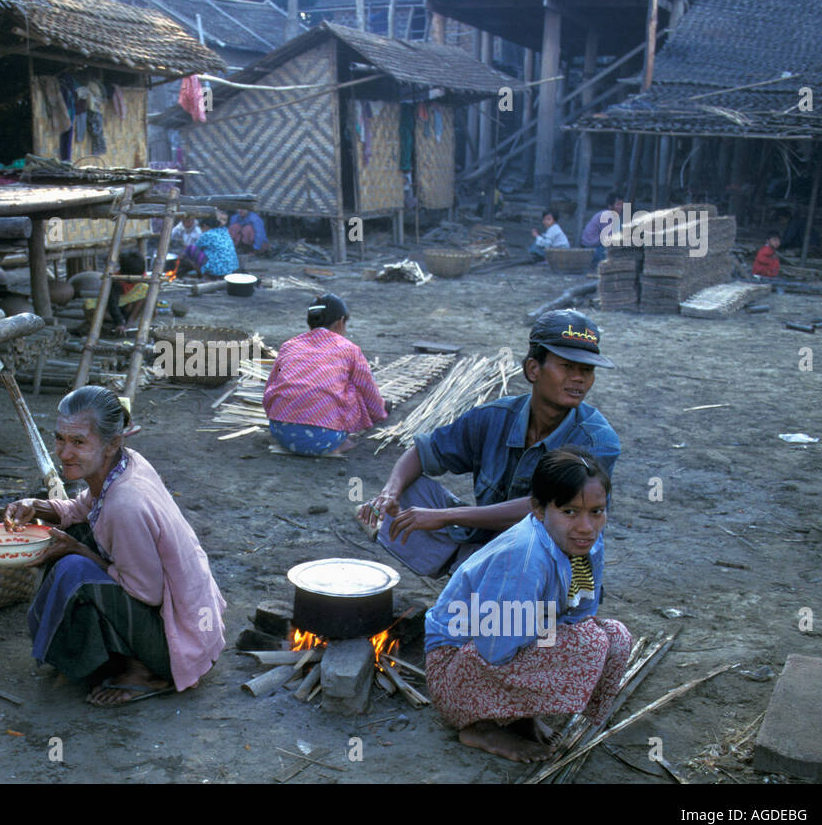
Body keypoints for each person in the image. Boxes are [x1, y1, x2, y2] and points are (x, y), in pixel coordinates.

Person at [357, 309, 620, 578]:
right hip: (491, 537)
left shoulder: (597, 440)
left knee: (534, 541)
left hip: (550, 556)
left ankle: (482, 575)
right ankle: (469, 567)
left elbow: (544, 509)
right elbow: (423, 452)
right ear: (533, 369)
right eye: (566, 366)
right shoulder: (494, 417)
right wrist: (390, 491)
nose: (579, 379)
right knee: (411, 489)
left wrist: (449, 515)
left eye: (586, 370)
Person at [8, 386, 227, 706]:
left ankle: (148, 672)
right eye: (60, 439)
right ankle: (112, 655)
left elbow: (148, 592)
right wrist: (36, 506)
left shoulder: (124, 503)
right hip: (188, 621)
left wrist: (78, 553)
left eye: (78, 442)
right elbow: (80, 510)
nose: (64, 453)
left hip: (178, 644)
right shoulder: (124, 465)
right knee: (74, 538)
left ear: (112, 443)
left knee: (74, 565)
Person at [423, 446, 632, 763]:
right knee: (589, 643)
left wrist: (551, 633)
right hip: (455, 672)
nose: (586, 526)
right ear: (538, 508)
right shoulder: (525, 556)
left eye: (597, 511)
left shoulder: (587, 542)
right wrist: (550, 635)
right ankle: (479, 725)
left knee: (614, 637)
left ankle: (518, 714)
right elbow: (494, 647)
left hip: (502, 646)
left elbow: (581, 614)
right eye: (570, 511)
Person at [263, 293, 388, 457]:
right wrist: (380, 413)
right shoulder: (349, 349)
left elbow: (271, 385)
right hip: (325, 439)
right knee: (355, 387)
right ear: (340, 322)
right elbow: (368, 389)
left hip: (282, 433)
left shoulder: (289, 346)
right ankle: (337, 443)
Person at [172, 210, 238, 279]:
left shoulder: (207, 235)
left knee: (190, 249)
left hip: (217, 270)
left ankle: (204, 274)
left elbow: (193, 248)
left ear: (205, 226)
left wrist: (182, 256)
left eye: (202, 229)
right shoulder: (224, 231)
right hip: (231, 268)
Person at [581, 194, 625, 265]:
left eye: (622, 204)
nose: (621, 207)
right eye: (618, 204)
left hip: (599, 244)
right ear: (610, 206)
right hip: (592, 247)